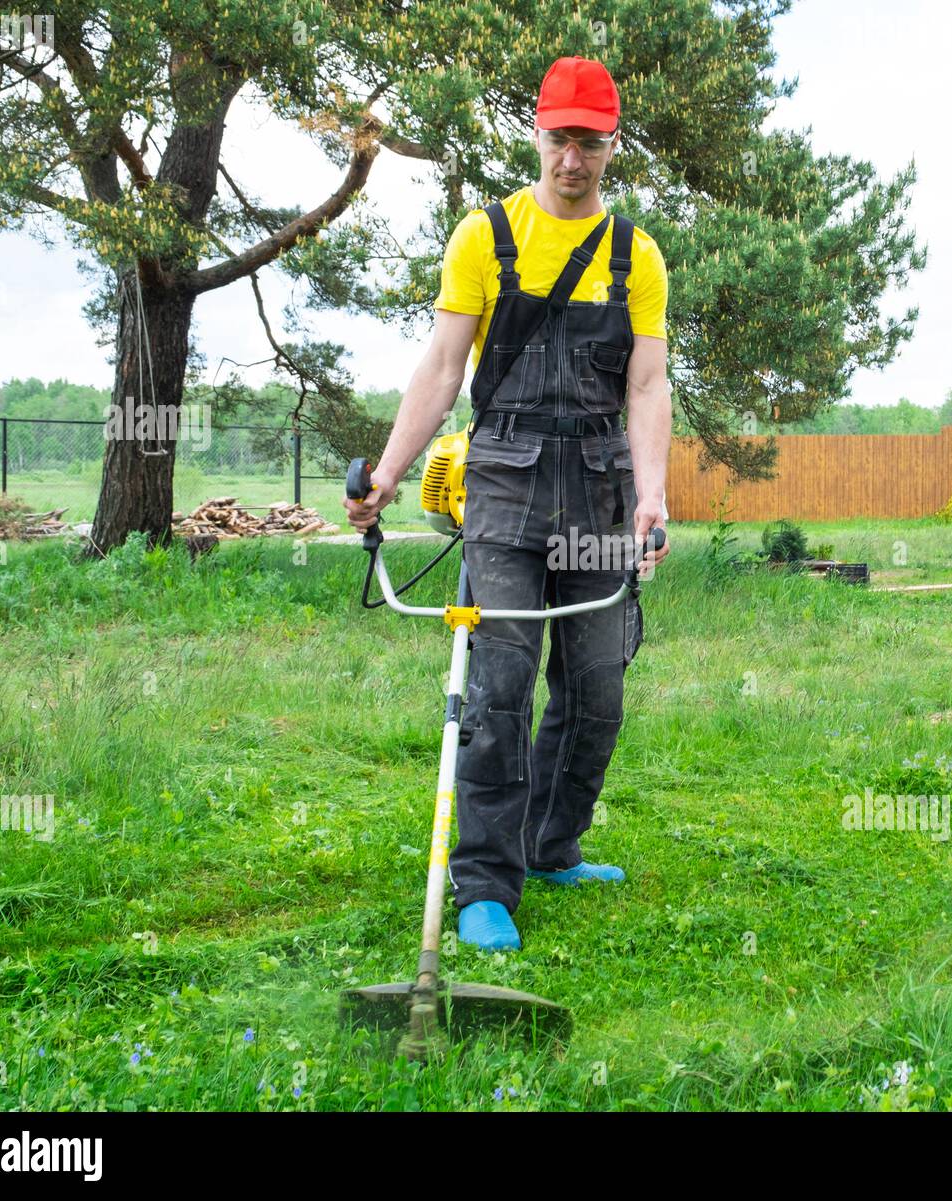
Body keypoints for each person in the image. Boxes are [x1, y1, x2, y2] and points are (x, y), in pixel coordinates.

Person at [345, 56, 672, 951]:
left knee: (597, 690)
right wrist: (383, 472)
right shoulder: (483, 236)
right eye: (561, 138)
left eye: (591, 142)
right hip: (504, 486)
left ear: (612, 145)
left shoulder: (635, 255)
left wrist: (653, 497)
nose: (574, 158)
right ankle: (486, 880)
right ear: (539, 133)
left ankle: (551, 844)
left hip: (601, 490)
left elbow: (648, 386)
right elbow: (444, 369)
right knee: (497, 686)